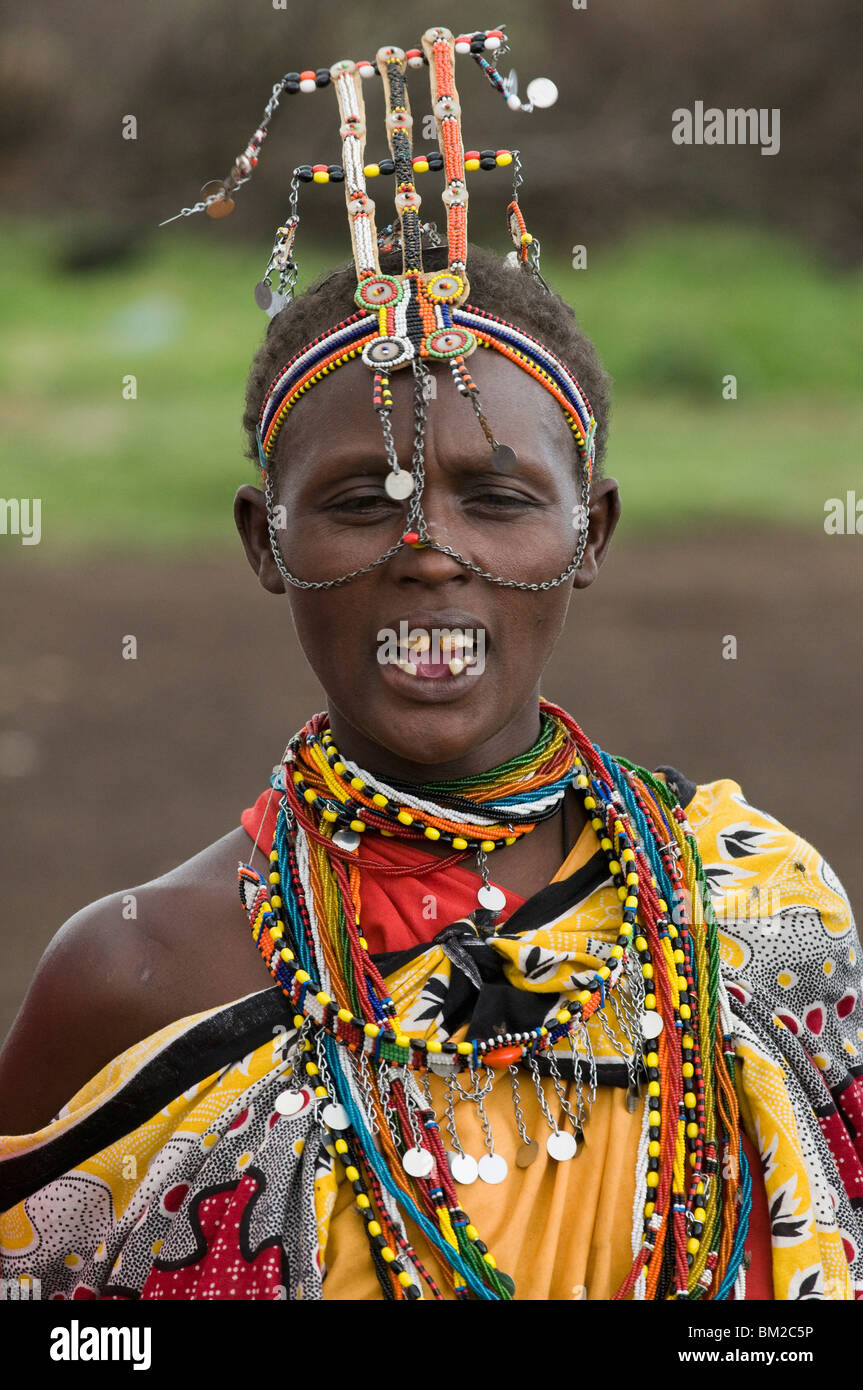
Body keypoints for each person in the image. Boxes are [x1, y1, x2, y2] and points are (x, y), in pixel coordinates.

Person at [1, 27, 861, 1303]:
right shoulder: (135, 972)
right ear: (263, 541)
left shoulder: (758, 919)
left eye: (495, 496)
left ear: (591, 536)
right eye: (361, 500)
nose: (427, 550)